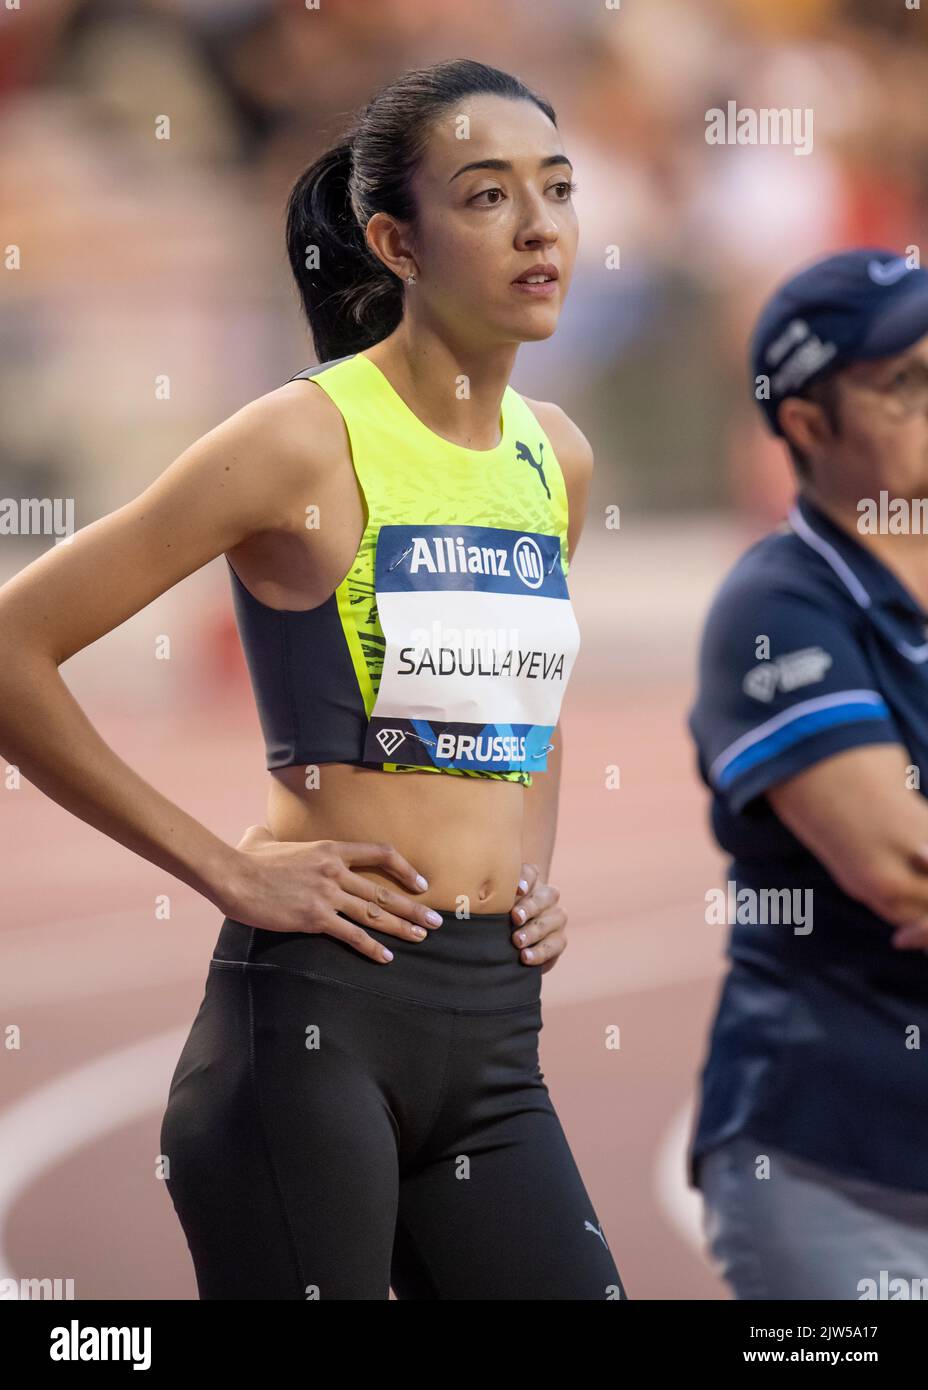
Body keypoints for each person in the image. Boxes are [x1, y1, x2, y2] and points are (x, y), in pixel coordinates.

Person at [0, 59, 627, 1300]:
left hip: (497, 1031)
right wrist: (222, 867)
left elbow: (524, 704)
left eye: (555, 189)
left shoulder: (556, 454)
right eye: (488, 196)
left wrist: (531, 868)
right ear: (395, 239)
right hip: (314, 1035)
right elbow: (13, 643)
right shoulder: (300, 436)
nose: (539, 225)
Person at [687, 248, 928, 1300]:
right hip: (837, 1163)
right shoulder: (776, 608)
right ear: (805, 425)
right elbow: (901, 865)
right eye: (903, 382)